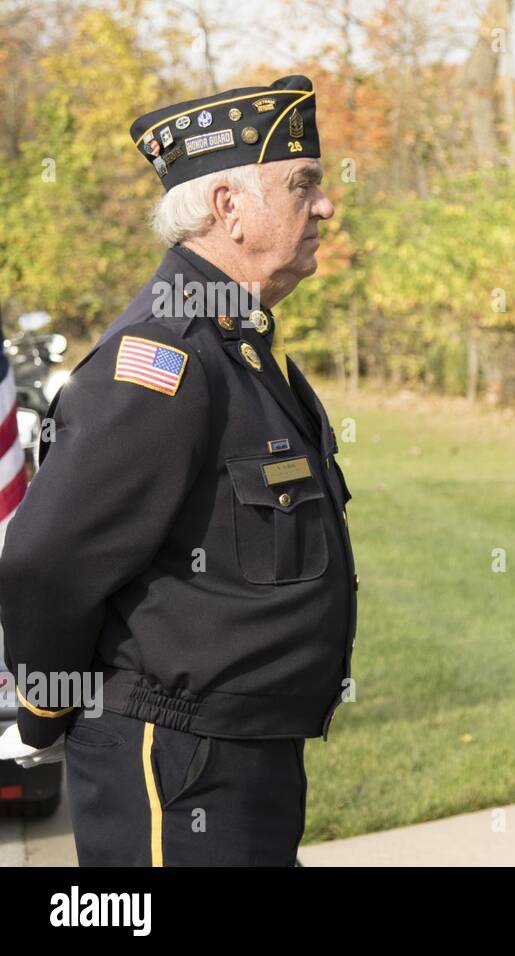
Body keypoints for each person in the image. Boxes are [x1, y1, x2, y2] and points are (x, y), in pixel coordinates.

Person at [0, 75, 357, 865]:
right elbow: (47, 559)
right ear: (229, 207)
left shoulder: (240, 341)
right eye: (303, 185)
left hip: (241, 749)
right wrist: (45, 703)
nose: (326, 206)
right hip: (177, 760)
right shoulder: (163, 359)